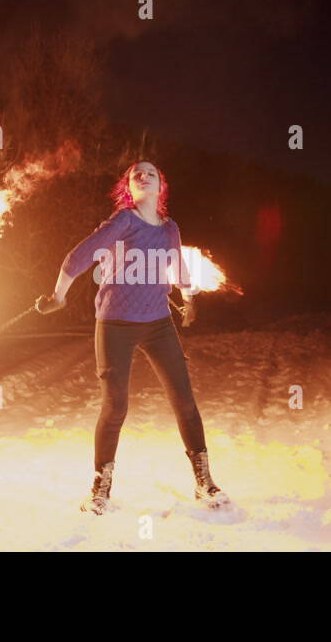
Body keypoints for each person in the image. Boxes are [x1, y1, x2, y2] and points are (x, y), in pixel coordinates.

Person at [35, 160, 229, 515]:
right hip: (115, 324)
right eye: (135, 174)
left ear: (160, 187)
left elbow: (178, 267)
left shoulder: (170, 228)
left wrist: (189, 300)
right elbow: (78, 257)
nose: (142, 175)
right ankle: (100, 489)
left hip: (158, 324)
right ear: (130, 187)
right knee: (115, 407)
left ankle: (204, 482)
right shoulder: (123, 221)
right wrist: (58, 296)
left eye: (150, 172)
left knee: (184, 400)